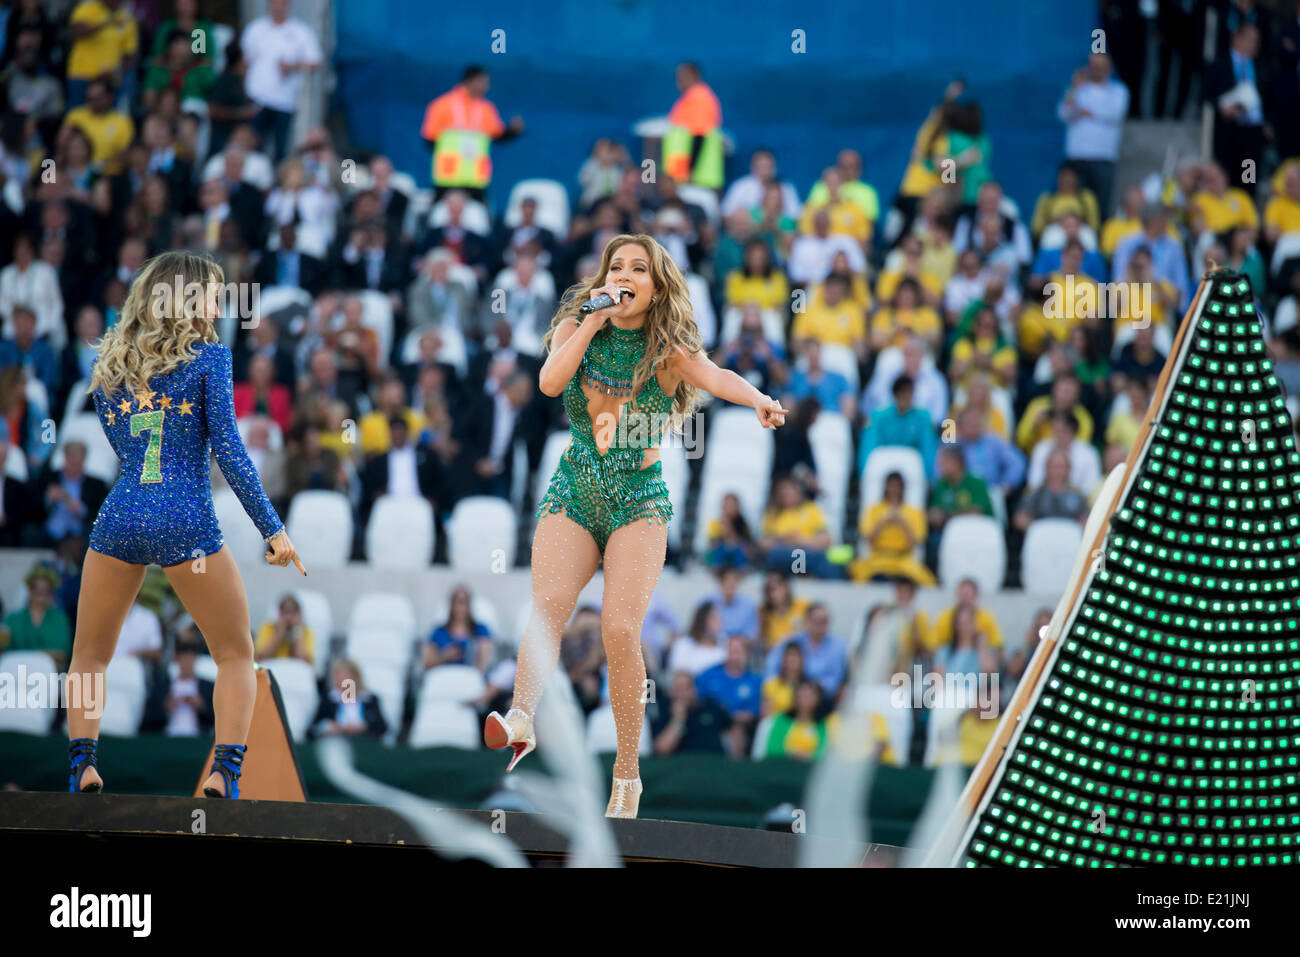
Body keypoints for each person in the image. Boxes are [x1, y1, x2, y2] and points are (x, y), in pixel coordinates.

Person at [483, 234, 788, 819]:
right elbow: (549, 383)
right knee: (548, 605)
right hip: (575, 488)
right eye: (615, 266)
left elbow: (716, 374)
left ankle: (627, 774)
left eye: (638, 269)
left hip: (638, 501)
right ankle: (521, 717)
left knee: (620, 630)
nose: (624, 275)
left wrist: (758, 398)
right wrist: (592, 321)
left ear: (656, 287)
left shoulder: (667, 349)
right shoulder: (576, 327)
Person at [65, 251, 305, 801]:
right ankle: (225, 773)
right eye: (214, 296)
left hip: (123, 514)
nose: (219, 306)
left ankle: (83, 766)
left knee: (90, 655)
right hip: (185, 518)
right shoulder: (210, 358)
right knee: (235, 654)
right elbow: (231, 452)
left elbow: (122, 448)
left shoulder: (111, 364)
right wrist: (273, 529)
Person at [420, 65, 523, 202]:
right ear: (470, 80)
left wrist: (513, 131)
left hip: (476, 180)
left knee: (481, 214)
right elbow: (429, 139)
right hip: (448, 179)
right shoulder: (441, 105)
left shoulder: (486, 108)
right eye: (482, 82)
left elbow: (498, 135)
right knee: (440, 213)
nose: (486, 87)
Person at [239, 0, 323, 163]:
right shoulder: (255, 29)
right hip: (257, 99)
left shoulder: (301, 31)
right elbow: (244, 63)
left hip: (285, 101)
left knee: (281, 150)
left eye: (281, 2)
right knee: (254, 146)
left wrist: (293, 66)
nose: (277, 6)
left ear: (288, 4)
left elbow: (316, 62)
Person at [662, 61, 723, 190]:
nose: (678, 81)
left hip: (697, 178)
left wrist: (690, 171)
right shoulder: (689, 98)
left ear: (694, 76)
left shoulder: (700, 97)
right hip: (684, 175)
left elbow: (699, 136)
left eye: (681, 77)